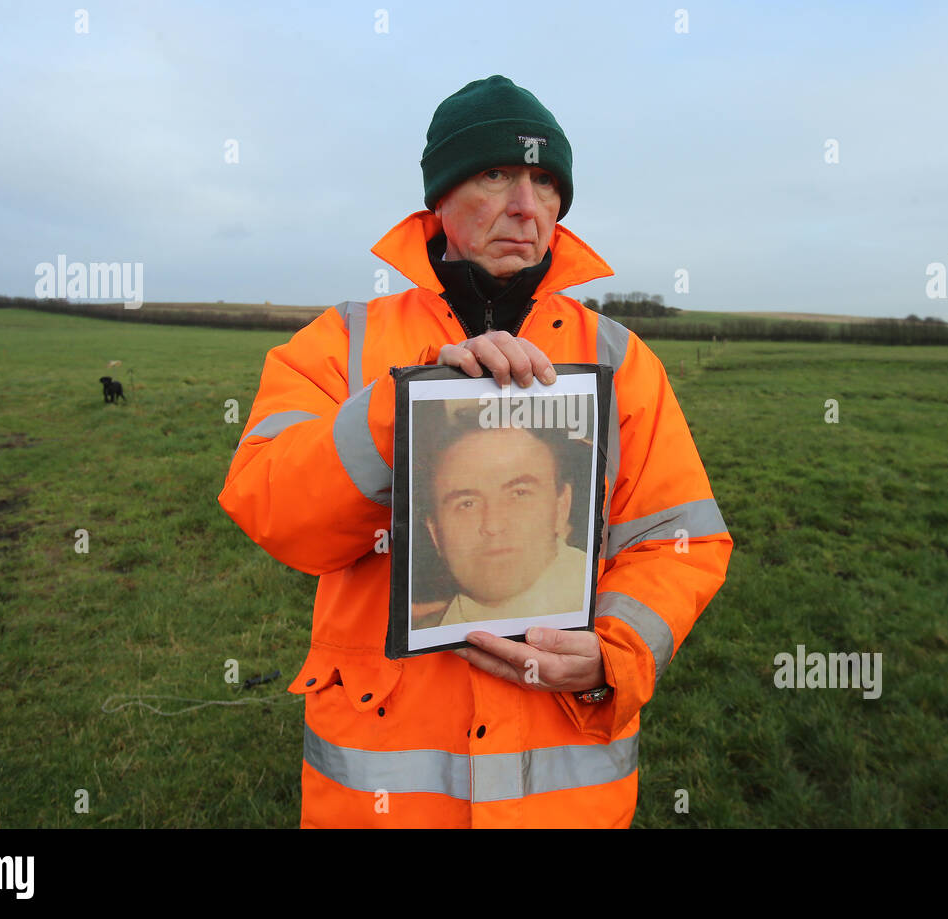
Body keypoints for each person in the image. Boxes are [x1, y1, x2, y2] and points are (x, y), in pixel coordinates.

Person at [217, 74, 732, 828]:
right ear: (439, 200)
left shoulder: (620, 360)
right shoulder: (343, 343)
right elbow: (273, 509)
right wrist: (399, 412)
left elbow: (680, 540)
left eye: (546, 182)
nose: (527, 206)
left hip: (567, 801)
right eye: (496, 175)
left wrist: (614, 652)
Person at [419, 422, 589, 628]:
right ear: (435, 534)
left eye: (519, 493)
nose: (493, 525)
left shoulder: (609, 609)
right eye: (467, 504)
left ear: (562, 508)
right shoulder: (421, 634)